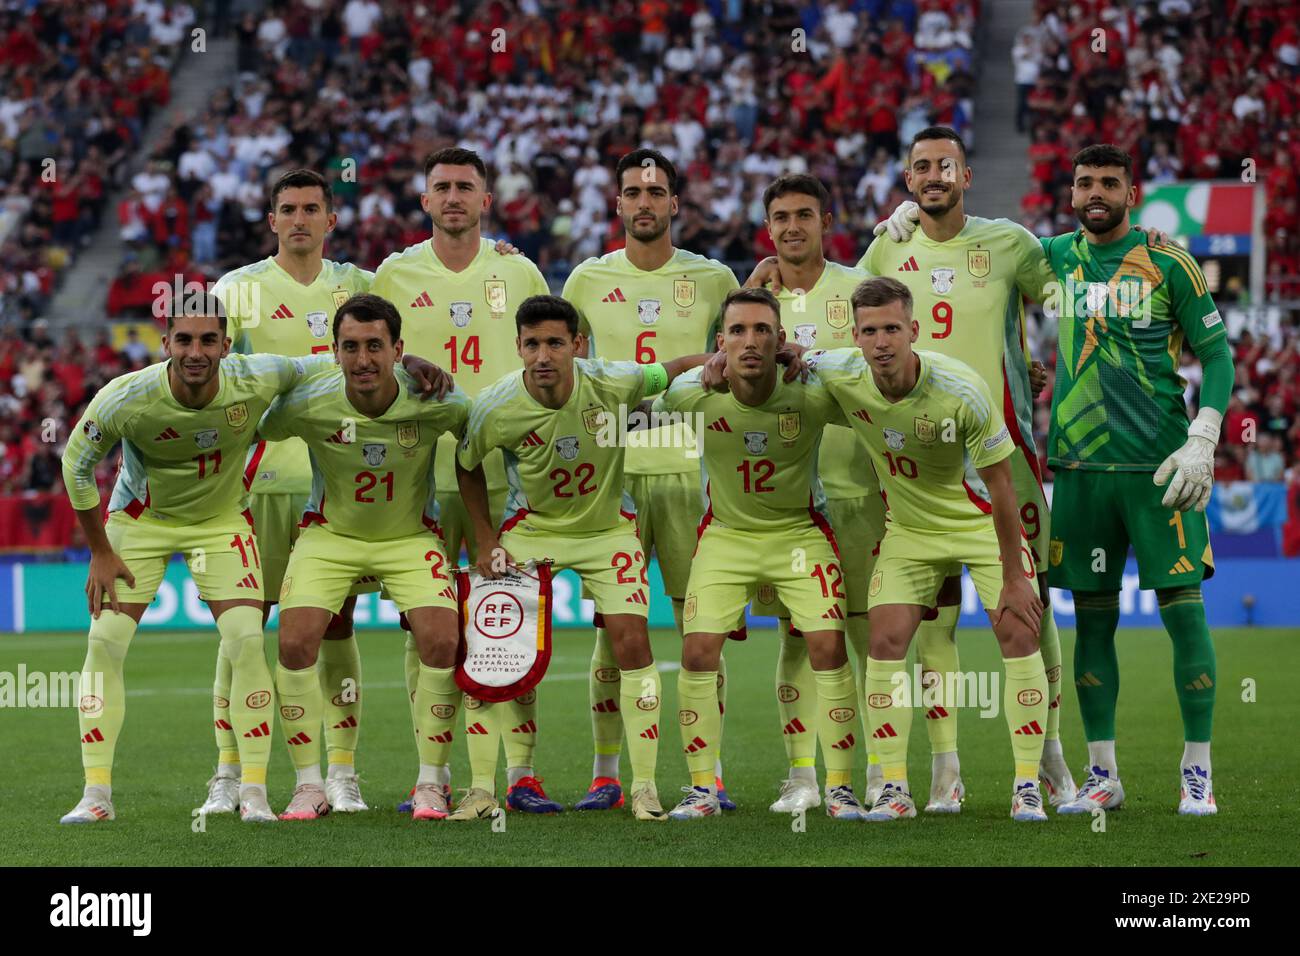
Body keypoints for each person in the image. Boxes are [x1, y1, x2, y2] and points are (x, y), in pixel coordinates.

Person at [455, 294, 708, 821]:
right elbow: (467, 464)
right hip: (533, 530)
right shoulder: (496, 405)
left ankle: (642, 788)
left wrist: (730, 355)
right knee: (496, 651)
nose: (543, 355)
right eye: (531, 344)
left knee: (632, 642)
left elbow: (677, 368)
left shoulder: (614, 380)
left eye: (554, 342)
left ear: (577, 345)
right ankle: (498, 785)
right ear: (518, 347)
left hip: (606, 529)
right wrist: (484, 538)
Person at [807, 277, 1050, 822]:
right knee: (884, 642)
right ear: (856, 336)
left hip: (978, 523)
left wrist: (1014, 576)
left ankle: (1028, 784)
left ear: (913, 330)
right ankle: (894, 788)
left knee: (1018, 630)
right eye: (869, 331)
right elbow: (789, 356)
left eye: (892, 328)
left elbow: (1004, 488)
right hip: (909, 533)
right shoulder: (841, 370)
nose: (881, 342)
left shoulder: (960, 389)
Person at [1041, 144, 1233, 816]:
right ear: (1071, 193)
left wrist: (1204, 435)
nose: (1096, 192)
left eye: (1110, 183)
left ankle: (1197, 772)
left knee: (1185, 614)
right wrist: (907, 222)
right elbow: (974, 264)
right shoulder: (1053, 258)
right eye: (1085, 182)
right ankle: (1103, 775)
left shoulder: (1170, 260)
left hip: (1160, 470)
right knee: (1093, 623)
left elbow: (1217, 354)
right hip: (1081, 473)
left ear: (1131, 191)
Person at [371, 146, 554, 812]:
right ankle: (434, 773)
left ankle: (520, 774)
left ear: (486, 200)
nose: (453, 196)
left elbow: (547, 358)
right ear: (425, 201)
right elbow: (363, 354)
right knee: (427, 630)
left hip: (503, 477)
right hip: (417, 475)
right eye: (441, 186)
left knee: (509, 621)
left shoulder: (519, 269)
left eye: (465, 187)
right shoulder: (393, 273)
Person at [561, 147, 740, 811]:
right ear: (617, 204)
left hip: (694, 474)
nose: (643, 201)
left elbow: (740, 352)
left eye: (655, 191)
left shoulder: (714, 278)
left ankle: (709, 772)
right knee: (614, 630)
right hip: (614, 477)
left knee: (704, 630)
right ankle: (608, 772)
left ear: (674, 204)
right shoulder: (584, 280)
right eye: (632, 191)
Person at [256, 293, 471, 822]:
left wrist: (487, 535)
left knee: (444, 640)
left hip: (409, 536)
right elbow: (255, 426)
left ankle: (430, 783)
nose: (363, 359)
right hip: (330, 535)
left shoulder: (436, 399)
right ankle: (311, 786)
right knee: (293, 640)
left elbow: (479, 434)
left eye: (375, 346)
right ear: (335, 353)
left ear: (399, 349)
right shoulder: (311, 403)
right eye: (350, 347)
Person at [658, 287, 868, 821]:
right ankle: (702, 789)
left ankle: (839, 787)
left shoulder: (812, 394)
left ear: (780, 341)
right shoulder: (693, 394)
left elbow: (872, 378)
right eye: (737, 331)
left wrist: (812, 357)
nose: (749, 341)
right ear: (720, 343)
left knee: (827, 648)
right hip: (726, 536)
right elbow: (638, 388)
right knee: (698, 652)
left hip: (799, 533)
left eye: (761, 331)